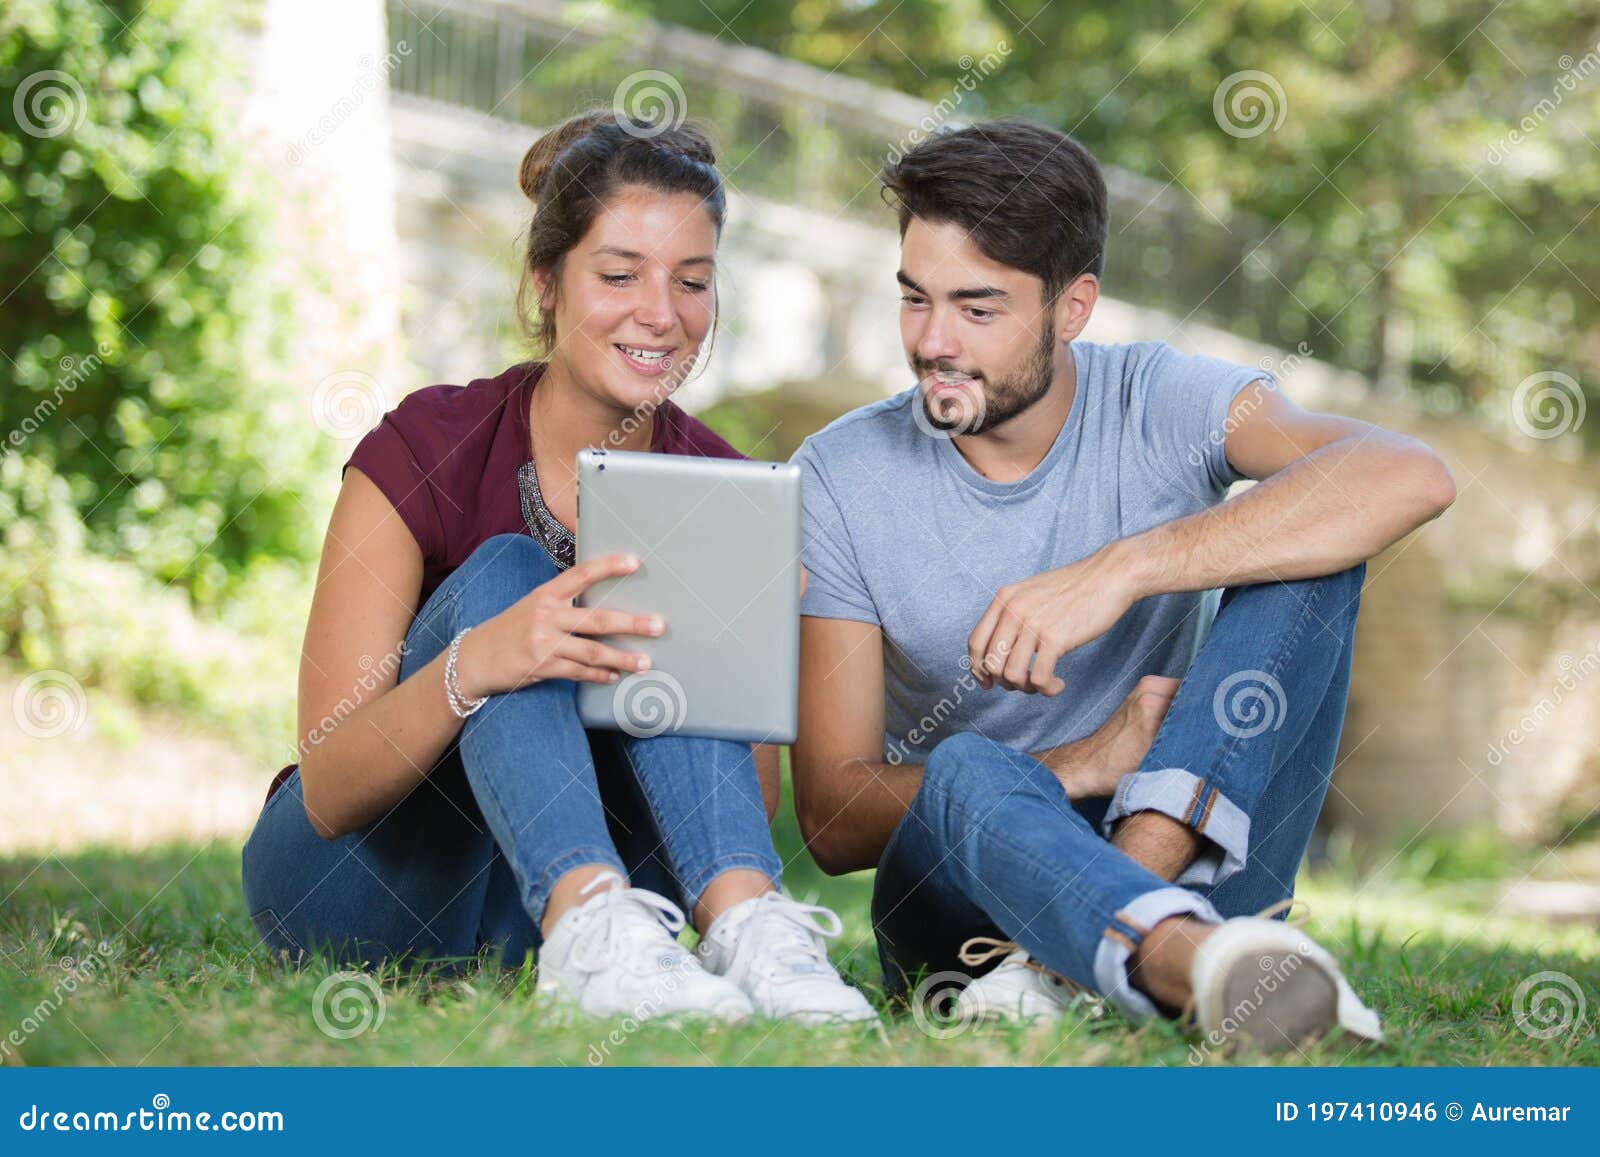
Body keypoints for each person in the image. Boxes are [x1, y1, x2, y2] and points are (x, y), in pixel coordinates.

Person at [790, 119, 1456, 1049]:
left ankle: (1112, 945)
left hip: (1195, 848)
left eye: (978, 309)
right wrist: (1080, 764)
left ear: (1074, 307)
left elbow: (1411, 474)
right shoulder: (840, 472)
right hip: (968, 922)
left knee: (1318, 538)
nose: (933, 341)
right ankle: (1181, 954)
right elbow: (832, 817)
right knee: (970, 768)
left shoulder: (1158, 400)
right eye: (915, 299)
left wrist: (1125, 568)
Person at [241, 109, 875, 1026]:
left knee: (677, 578)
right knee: (508, 570)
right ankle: (585, 927)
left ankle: (756, 945)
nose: (660, 313)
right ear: (546, 282)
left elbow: (739, 815)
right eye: (618, 275)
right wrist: (482, 664)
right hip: (374, 883)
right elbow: (331, 789)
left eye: (692, 282)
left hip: (607, 919)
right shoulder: (426, 444)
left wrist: (743, 642)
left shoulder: (727, 486)